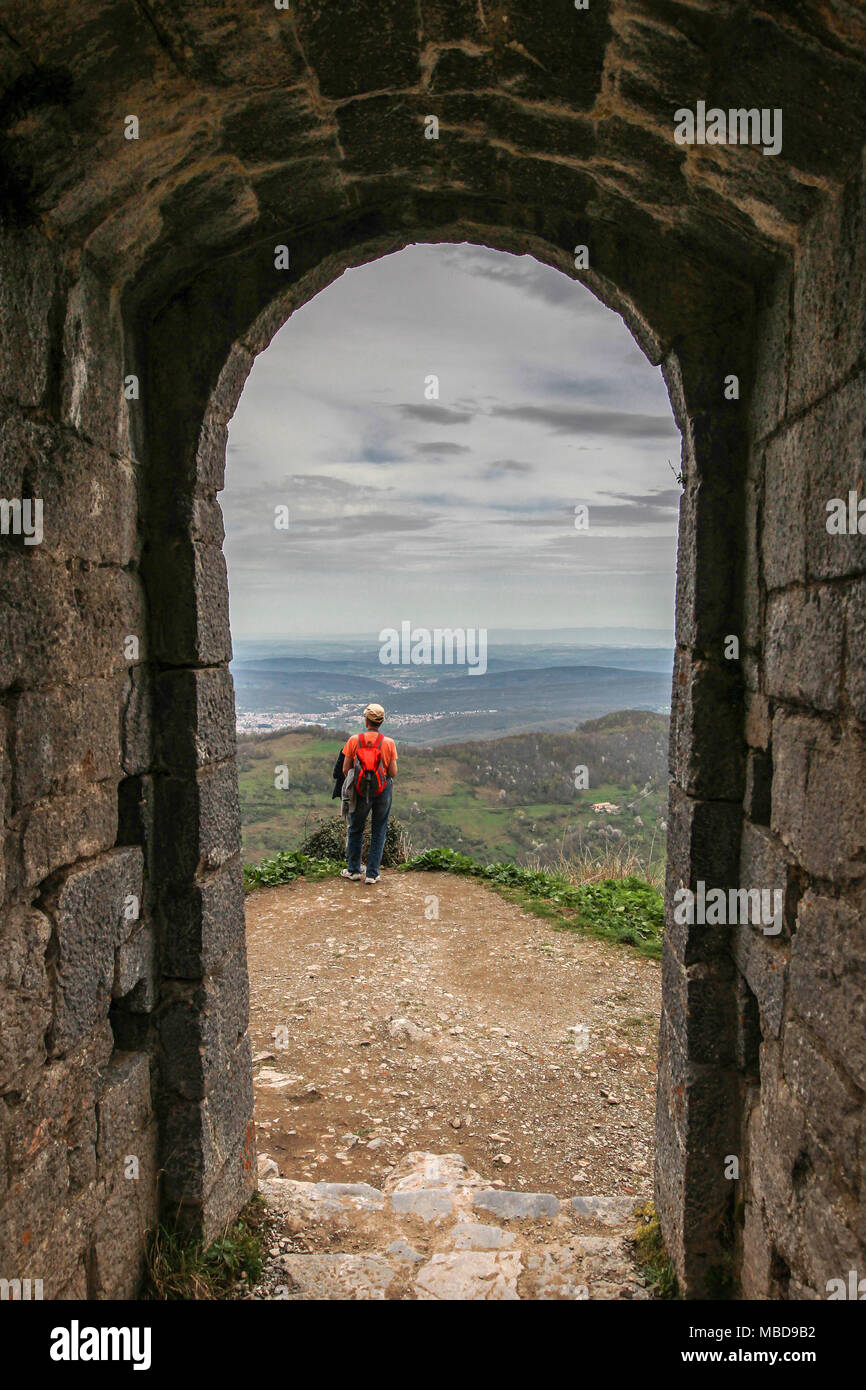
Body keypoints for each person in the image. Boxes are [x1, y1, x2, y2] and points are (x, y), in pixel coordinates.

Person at [340, 703, 397, 885]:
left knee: (356, 828)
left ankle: (354, 870)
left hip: (359, 790)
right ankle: (372, 873)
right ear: (381, 722)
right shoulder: (388, 743)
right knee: (379, 829)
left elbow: (345, 769)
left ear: (366, 720)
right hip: (383, 789)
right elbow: (393, 772)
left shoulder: (354, 740)